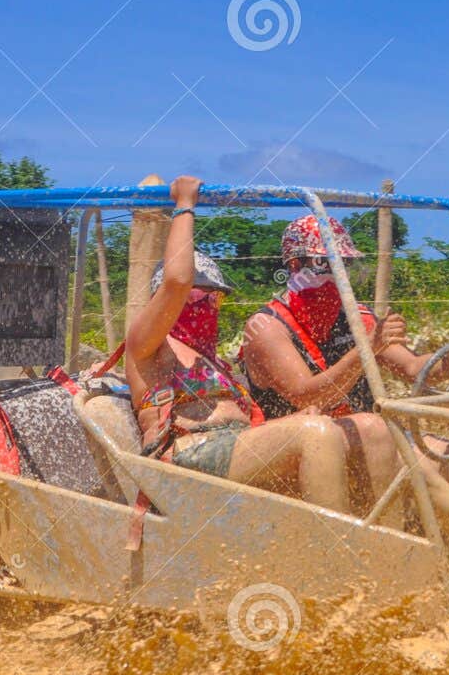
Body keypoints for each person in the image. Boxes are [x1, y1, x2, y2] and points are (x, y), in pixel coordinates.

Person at [240, 214, 449, 514]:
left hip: (372, 440)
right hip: (311, 454)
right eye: (325, 264)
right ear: (295, 266)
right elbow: (308, 396)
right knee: (419, 471)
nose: (337, 275)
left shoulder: (358, 318)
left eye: (344, 264)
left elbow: (415, 369)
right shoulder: (267, 328)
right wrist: (367, 349)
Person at [124, 177, 352, 514]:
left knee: (353, 430)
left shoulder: (213, 362)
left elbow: (242, 429)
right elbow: (177, 281)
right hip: (187, 455)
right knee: (315, 433)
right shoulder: (150, 345)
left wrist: (291, 421)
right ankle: (335, 542)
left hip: (233, 449)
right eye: (195, 295)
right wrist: (185, 205)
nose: (204, 305)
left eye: (213, 298)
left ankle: (386, 535)